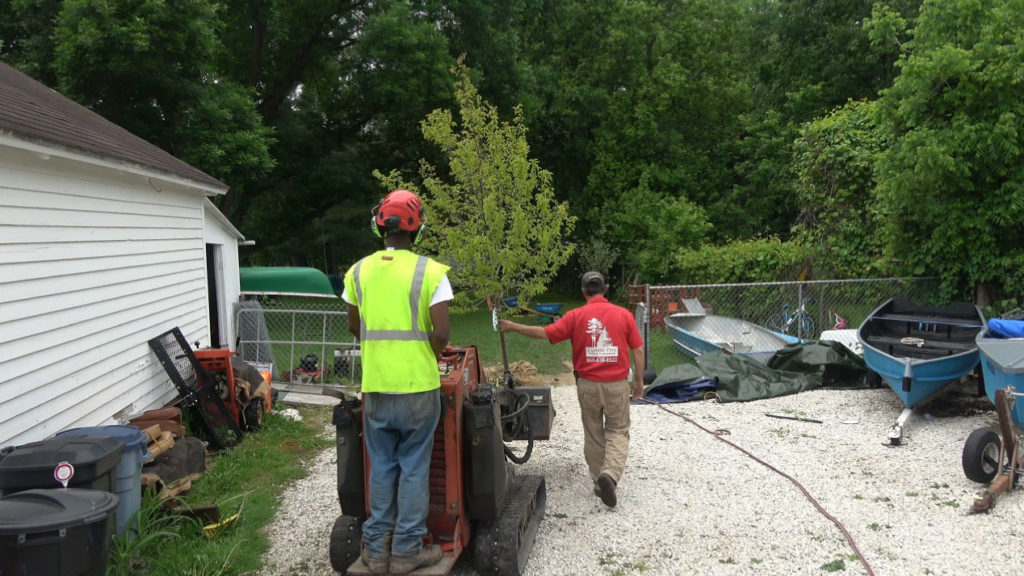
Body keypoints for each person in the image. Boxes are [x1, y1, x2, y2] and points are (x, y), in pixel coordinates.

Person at [342, 189, 452, 574]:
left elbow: (354, 326)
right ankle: (406, 550)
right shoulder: (431, 272)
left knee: (382, 466)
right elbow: (442, 333)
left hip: (376, 387)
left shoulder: (357, 272)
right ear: (417, 228)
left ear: (380, 226)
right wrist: (427, 355)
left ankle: (375, 551)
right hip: (419, 389)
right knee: (415, 466)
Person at [499, 271, 644, 508]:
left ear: (584, 291)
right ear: (605, 289)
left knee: (594, 433)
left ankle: (599, 481)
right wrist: (638, 381)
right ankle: (610, 475)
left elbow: (545, 333)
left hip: (587, 385)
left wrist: (513, 326)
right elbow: (637, 349)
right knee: (618, 431)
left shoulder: (575, 316)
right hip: (617, 385)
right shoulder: (623, 315)